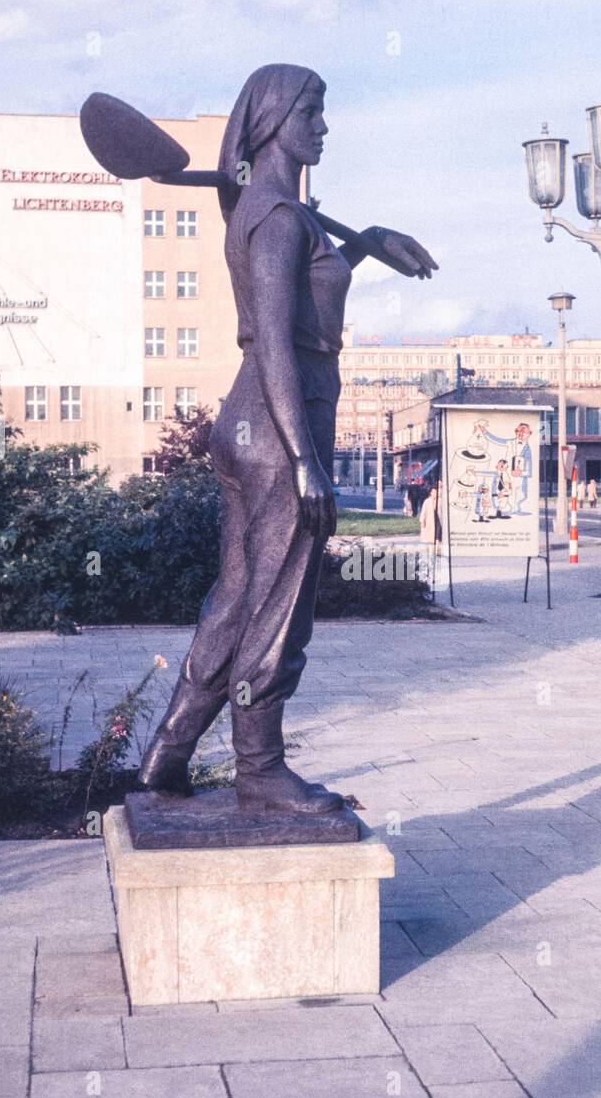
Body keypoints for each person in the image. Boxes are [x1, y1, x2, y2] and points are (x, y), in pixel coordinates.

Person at [137, 64, 437, 813]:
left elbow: (303, 299)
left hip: (252, 420)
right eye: (314, 111)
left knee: (238, 597)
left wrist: (363, 243)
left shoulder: (274, 212)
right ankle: (261, 768)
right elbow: (274, 337)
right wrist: (306, 459)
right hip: (281, 415)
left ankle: (167, 754)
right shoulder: (276, 218)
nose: (325, 126)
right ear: (274, 118)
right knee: (282, 598)